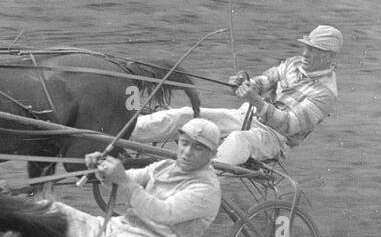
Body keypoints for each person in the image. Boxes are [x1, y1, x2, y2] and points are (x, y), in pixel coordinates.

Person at [39, 117, 222, 237]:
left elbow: (163, 212)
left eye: (198, 148)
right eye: (185, 143)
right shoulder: (165, 166)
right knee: (50, 211)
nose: (187, 152)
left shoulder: (206, 190)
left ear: (212, 154)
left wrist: (123, 180)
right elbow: (126, 178)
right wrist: (102, 168)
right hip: (118, 229)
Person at [131, 26, 341, 168]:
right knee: (187, 116)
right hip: (245, 116)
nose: (305, 53)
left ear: (329, 56)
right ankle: (123, 132)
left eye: (313, 50)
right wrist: (246, 83)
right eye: (306, 47)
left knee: (238, 140)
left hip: (274, 139)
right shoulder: (294, 63)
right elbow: (265, 80)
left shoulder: (325, 93)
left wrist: (256, 101)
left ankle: (194, 185)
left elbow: (288, 126)